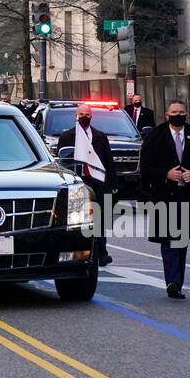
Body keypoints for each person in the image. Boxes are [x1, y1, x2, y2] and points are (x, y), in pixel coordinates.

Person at [137, 99, 190, 299]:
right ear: (167, 115)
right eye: (174, 112)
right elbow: (146, 168)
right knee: (168, 240)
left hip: (188, 197)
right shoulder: (155, 137)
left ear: (186, 114)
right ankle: (172, 282)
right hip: (164, 196)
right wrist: (165, 174)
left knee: (181, 240)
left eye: (182, 112)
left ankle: (177, 281)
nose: (178, 115)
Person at [57, 102, 116, 266]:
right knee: (79, 220)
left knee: (100, 218)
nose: (84, 117)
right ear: (76, 116)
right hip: (79, 182)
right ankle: (78, 252)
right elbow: (62, 162)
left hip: (98, 182)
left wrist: (113, 183)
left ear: (92, 116)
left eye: (87, 114)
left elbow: (108, 161)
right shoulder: (67, 136)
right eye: (81, 114)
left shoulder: (100, 136)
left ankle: (101, 253)